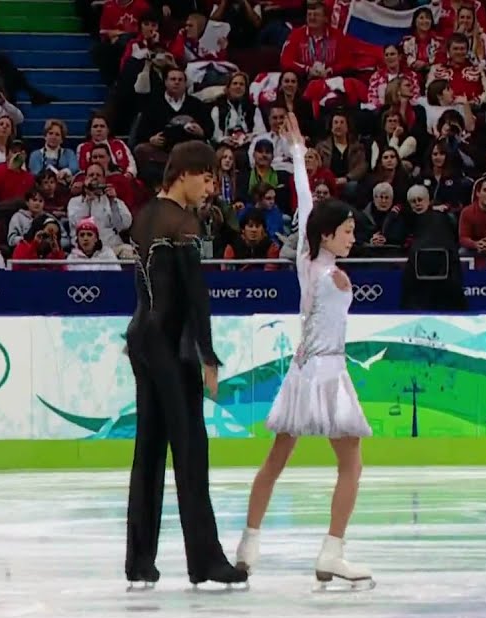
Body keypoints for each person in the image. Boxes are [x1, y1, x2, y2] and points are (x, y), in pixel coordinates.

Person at [235, 113, 374, 590]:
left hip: (305, 373)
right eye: (349, 231)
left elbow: (308, 203)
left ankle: (248, 544)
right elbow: (307, 204)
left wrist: (298, 153)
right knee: (350, 464)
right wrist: (294, 157)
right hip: (327, 374)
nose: (354, 237)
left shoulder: (314, 262)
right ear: (329, 233)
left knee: (278, 460)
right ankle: (331, 551)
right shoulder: (312, 263)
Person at [124, 140, 248, 590]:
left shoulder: (144, 216)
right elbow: (195, 297)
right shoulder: (182, 220)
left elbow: (147, 290)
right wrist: (207, 355)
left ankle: (139, 560)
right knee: (191, 451)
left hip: (142, 341)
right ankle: (206, 560)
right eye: (208, 177)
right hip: (172, 348)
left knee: (150, 451)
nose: (211, 187)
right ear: (184, 174)